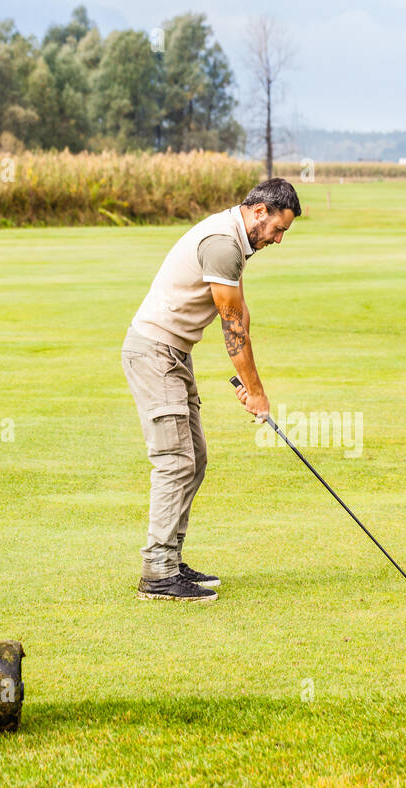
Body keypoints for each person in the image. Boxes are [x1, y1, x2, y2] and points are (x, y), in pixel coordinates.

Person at [122, 178, 301, 602]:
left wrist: (250, 384)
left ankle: (171, 559)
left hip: (174, 353)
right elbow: (232, 327)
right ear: (260, 212)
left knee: (194, 457)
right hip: (154, 354)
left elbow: (239, 312)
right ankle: (158, 572)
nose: (278, 239)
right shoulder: (223, 242)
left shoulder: (235, 242)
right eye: (278, 229)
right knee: (175, 460)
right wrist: (256, 391)